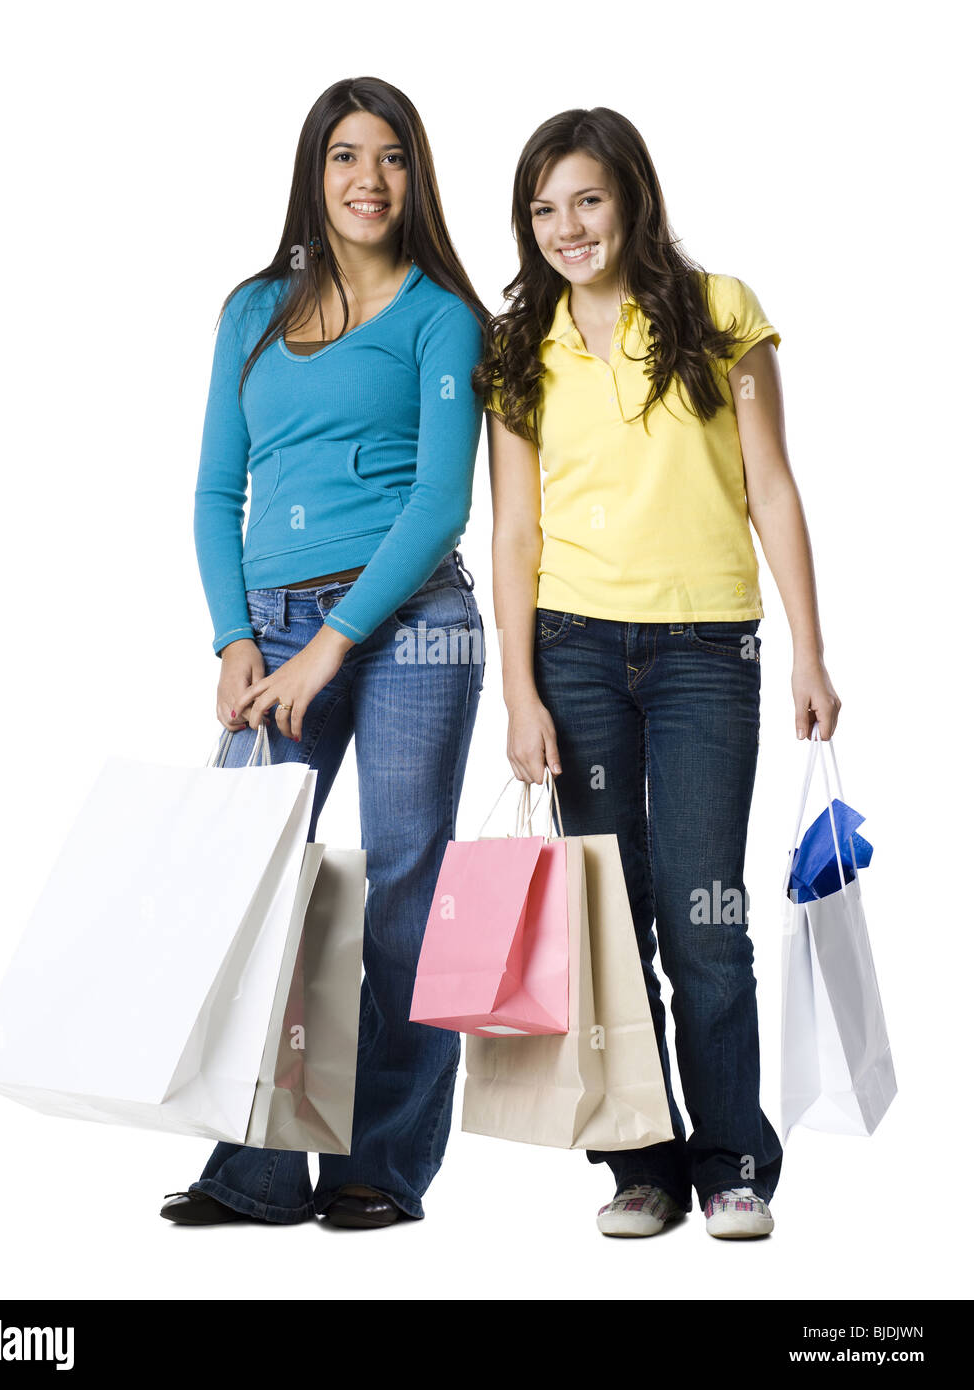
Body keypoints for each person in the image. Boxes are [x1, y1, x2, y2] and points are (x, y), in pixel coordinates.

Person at [475, 107, 841, 1240]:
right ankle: (638, 1160)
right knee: (609, 916)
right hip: (573, 651)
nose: (567, 227)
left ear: (629, 194)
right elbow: (515, 535)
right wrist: (519, 690)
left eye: (585, 198)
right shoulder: (514, 346)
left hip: (705, 653)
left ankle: (732, 1159)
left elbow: (769, 485)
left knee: (704, 916)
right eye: (543, 209)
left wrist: (812, 650)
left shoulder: (719, 311)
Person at [162, 76, 486, 1230]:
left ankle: (379, 1169)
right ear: (314, 171)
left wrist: (330, 647)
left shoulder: (443, 316)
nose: (368, 179)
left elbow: (441, 501)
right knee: (248, 886)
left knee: (404, 886)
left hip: (412, 628)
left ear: (415, 176)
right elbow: (214, 490)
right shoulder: (250, 310)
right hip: (275, 628)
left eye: (391, 157)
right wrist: (236, 640)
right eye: (346, 155)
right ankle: (252, 1166)